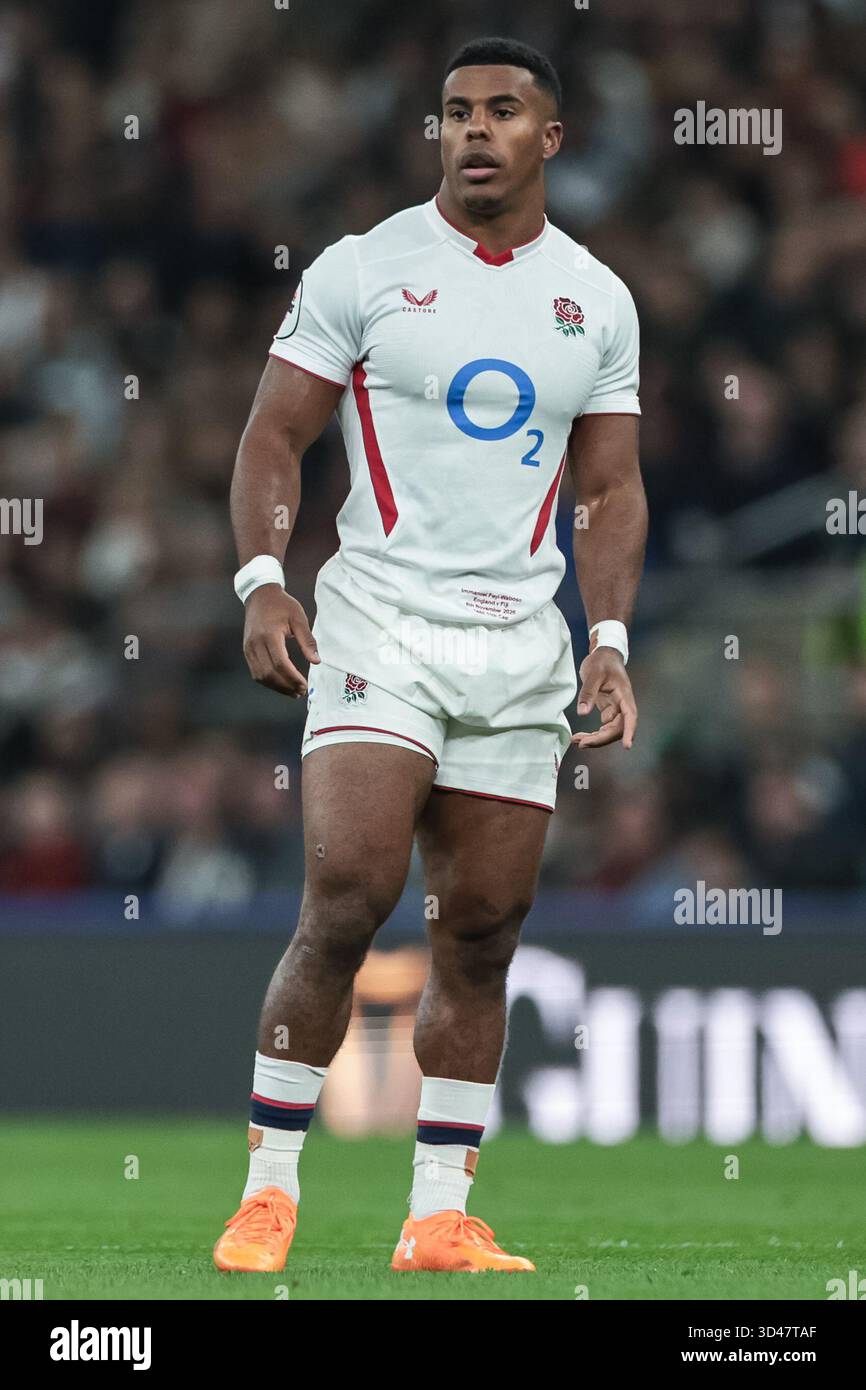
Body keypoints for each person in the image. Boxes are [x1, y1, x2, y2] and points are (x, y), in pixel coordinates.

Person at [214, 35, 646, 1275]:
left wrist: (605, 643)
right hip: (377, 627)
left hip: (520, 649)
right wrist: (260, 582)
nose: (472, 130)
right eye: (455, 112)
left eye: (502, 111)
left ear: (548, 139)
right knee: (348, 893)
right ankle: (268, 1191)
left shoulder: (596, 299)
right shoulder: (364, 270)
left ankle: (436, 1215)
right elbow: (269, 437)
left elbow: (610, 492)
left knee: (483, 932)